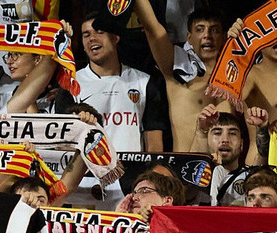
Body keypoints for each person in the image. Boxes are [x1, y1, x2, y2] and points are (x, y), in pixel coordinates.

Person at [135, 3, 231, 151]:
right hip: (186, 166)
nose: (207, 35)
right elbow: (152, 29)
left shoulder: (237, 75)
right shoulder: (175, 69)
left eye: (215, 30)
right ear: (189, 37)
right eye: (200, 29)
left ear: (224, 37)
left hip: (228, 168)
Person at [76, 12, 167, 153]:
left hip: (132, 173)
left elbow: (154, 143)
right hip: (88, 175)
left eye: (100, 32)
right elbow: (63, 143)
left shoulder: (144, 82)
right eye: (86, 35)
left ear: (115, 37)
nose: (92, 38)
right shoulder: (71, 84)